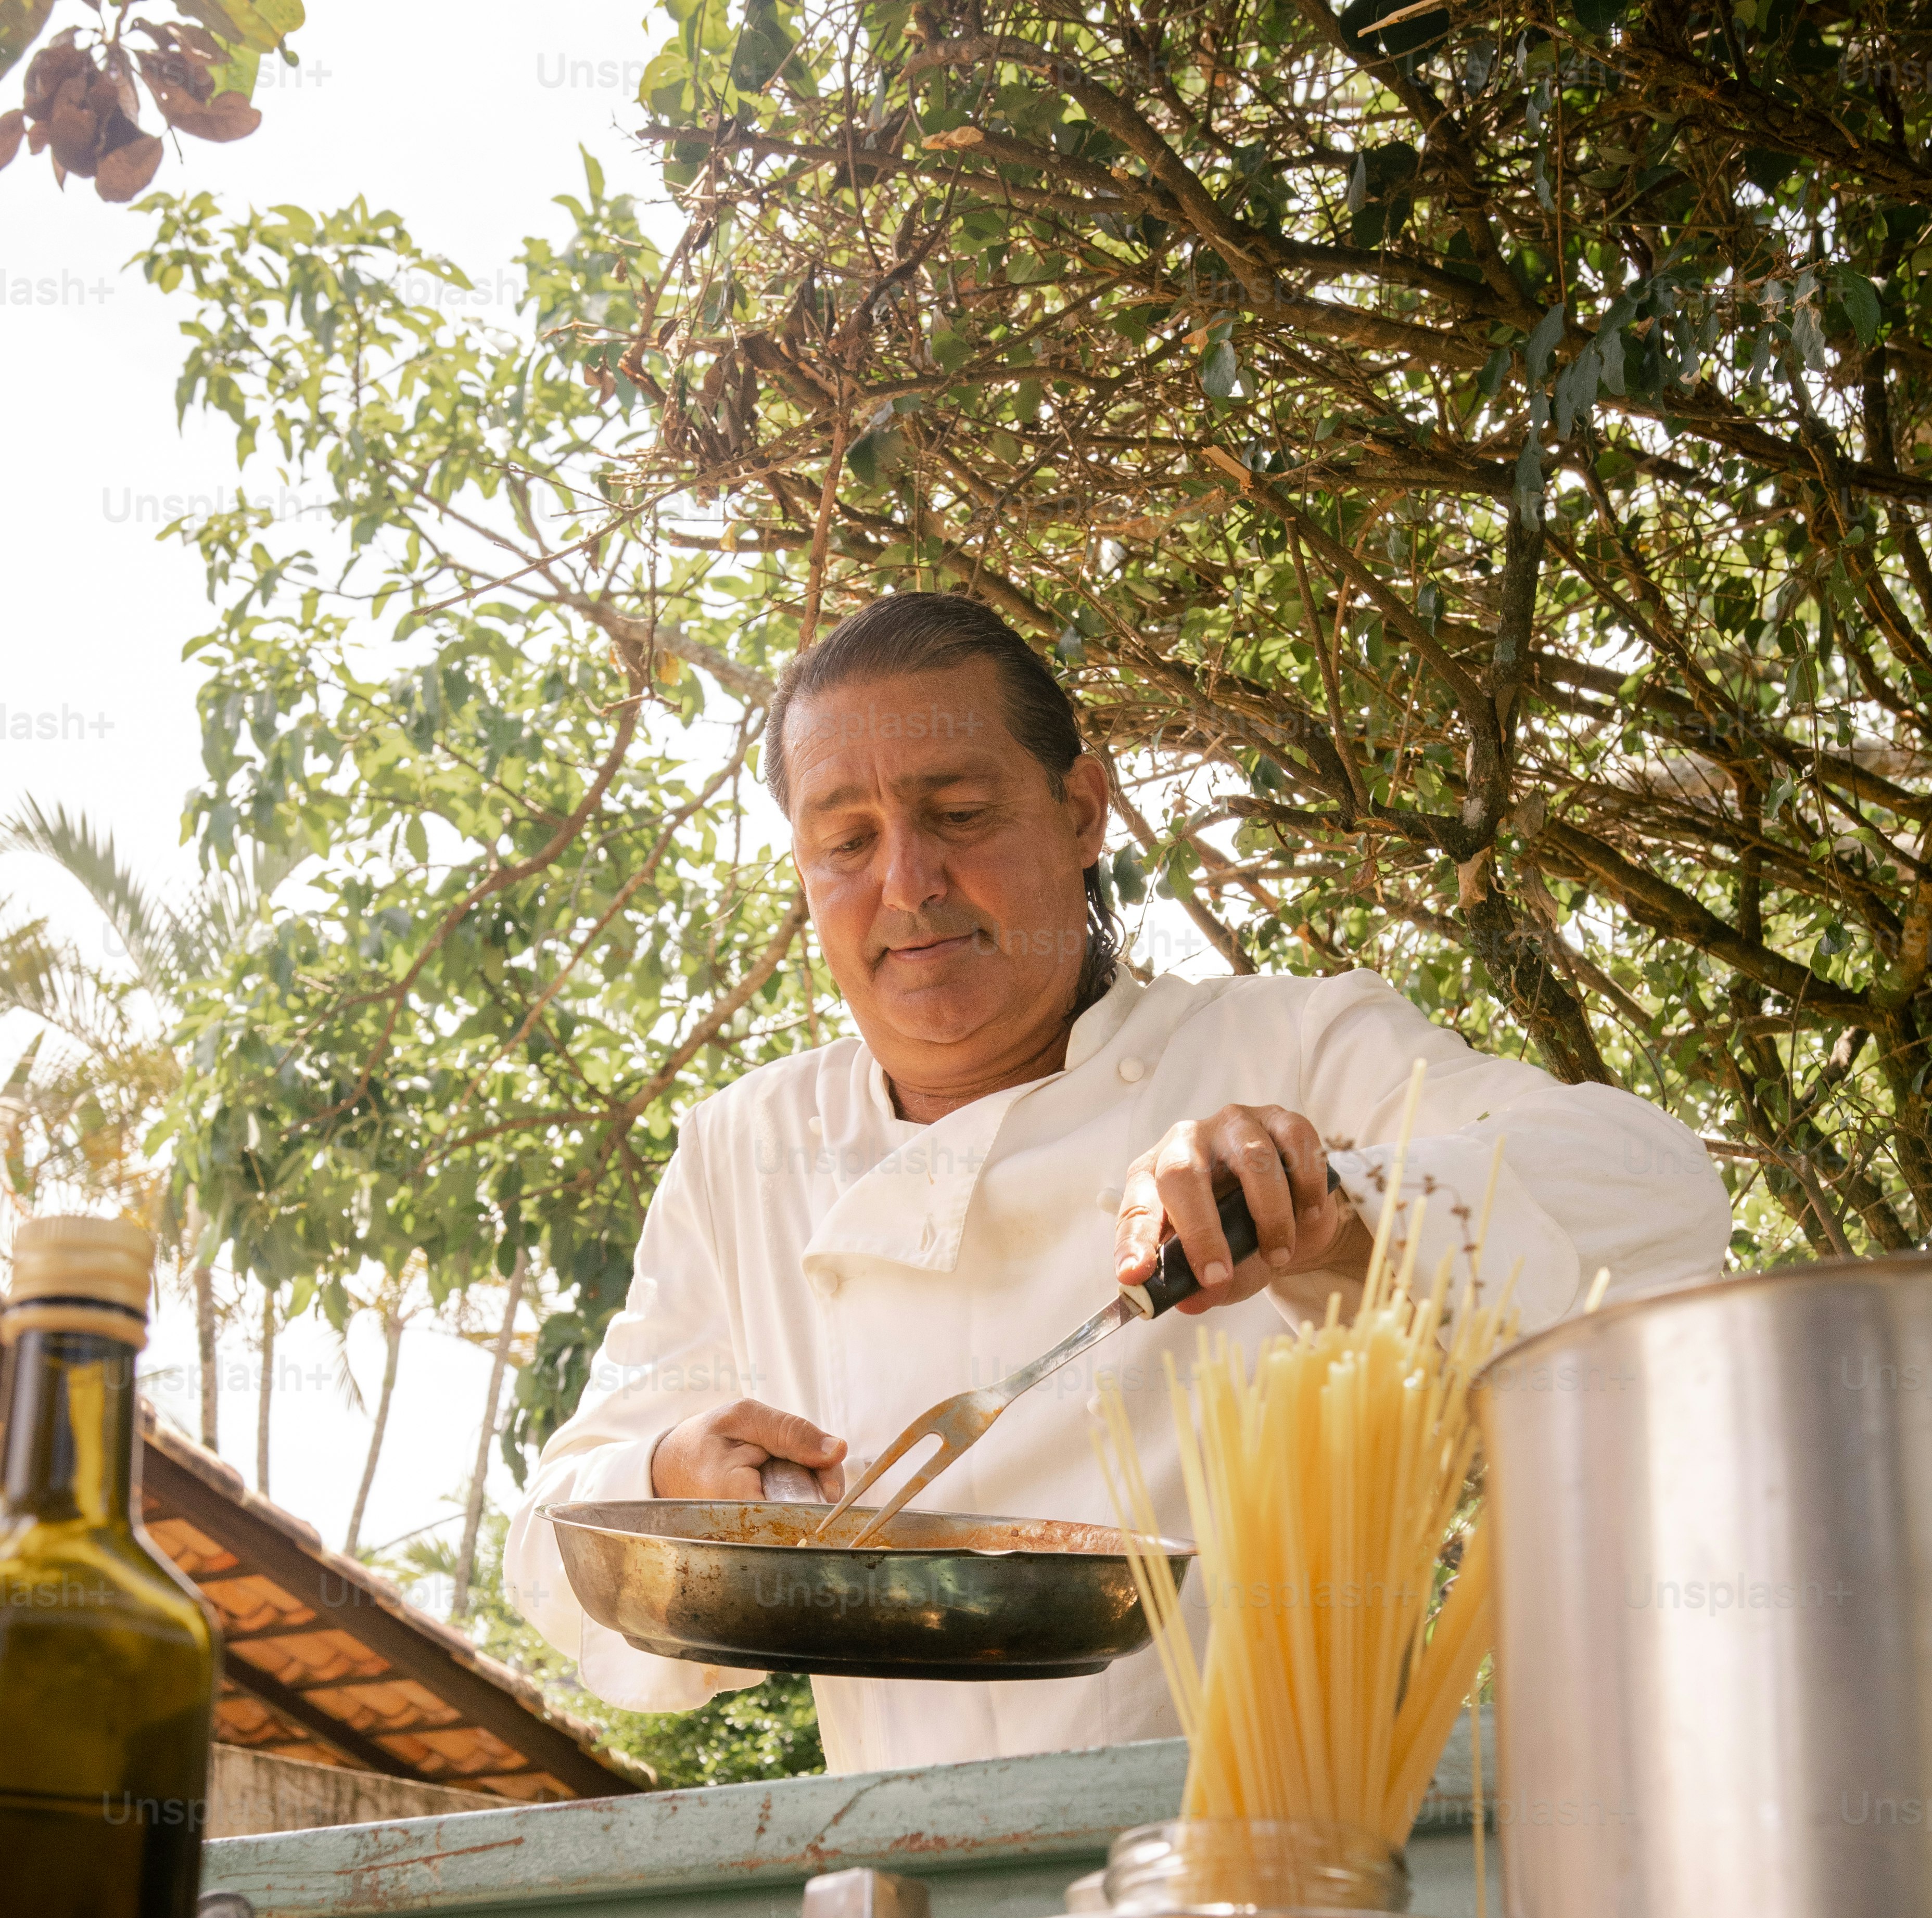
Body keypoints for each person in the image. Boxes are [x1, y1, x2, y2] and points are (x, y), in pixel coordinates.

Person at [505, 593, 1729, 1775]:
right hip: (908, 1881)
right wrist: (672, 1472)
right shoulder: (741, 1151)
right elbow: (550, 1551)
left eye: (961, 813)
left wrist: (1335, 1199)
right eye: (846, 842)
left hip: (1274, 1866)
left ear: (1082, 809)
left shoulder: (1284, 1048)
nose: (908, 882)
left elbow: (1659, 1197)